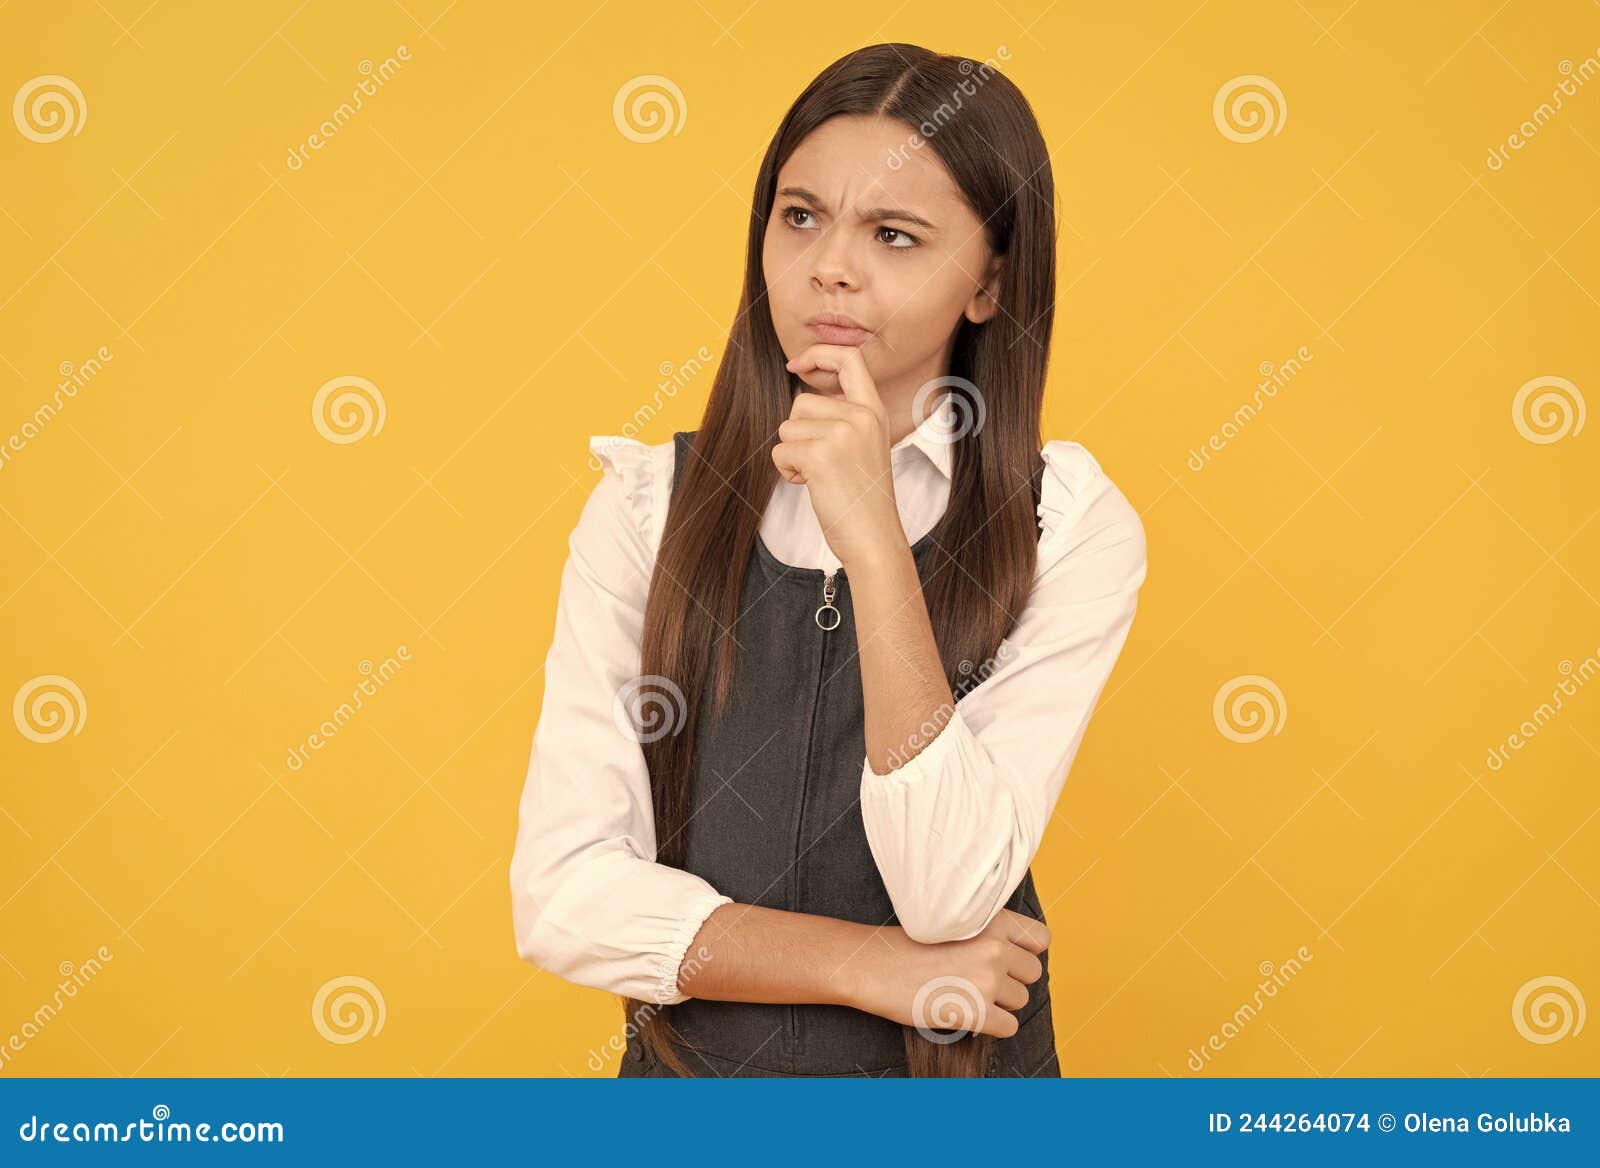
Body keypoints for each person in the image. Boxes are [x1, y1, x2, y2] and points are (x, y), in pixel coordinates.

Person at [510, 42, 1147, 1077]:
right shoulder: (644, 506)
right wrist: (870, 963)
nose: (828, 267)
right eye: (799, 215)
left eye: (895, 235)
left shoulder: (1066, 524)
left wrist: (874, 543)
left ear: (988, 280)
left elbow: (948, 888)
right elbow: (565, 894)